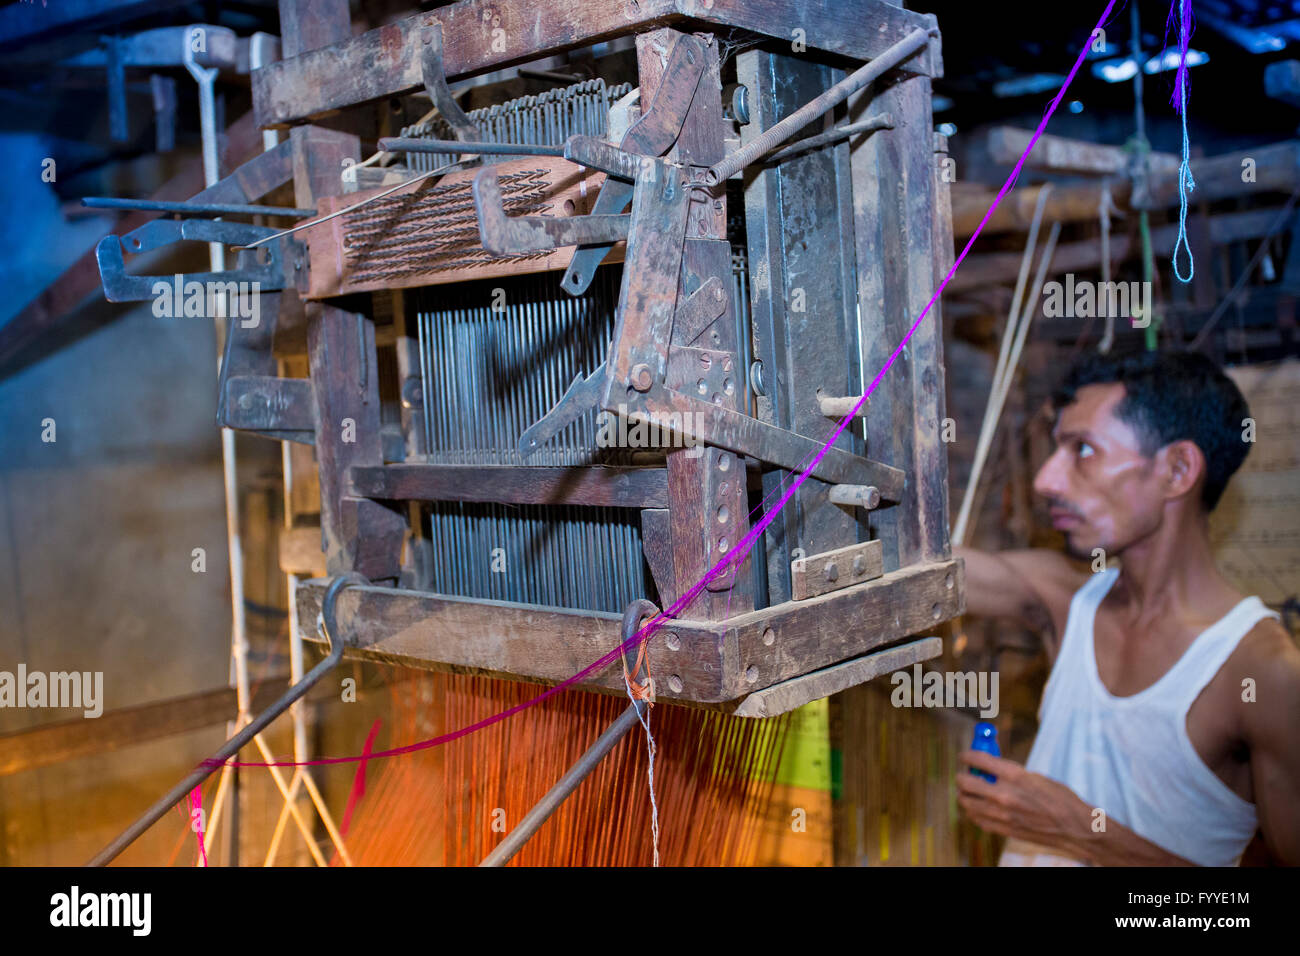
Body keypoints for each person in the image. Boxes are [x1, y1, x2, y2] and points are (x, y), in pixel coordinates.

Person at [954, 349, 1299, 865]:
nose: (1046, 480)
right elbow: (929, 573)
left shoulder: (1261, 670)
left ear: (1178, 469)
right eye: (1056, 450)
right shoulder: (1067, 598)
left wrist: (1081, 832)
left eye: (1083, 450)